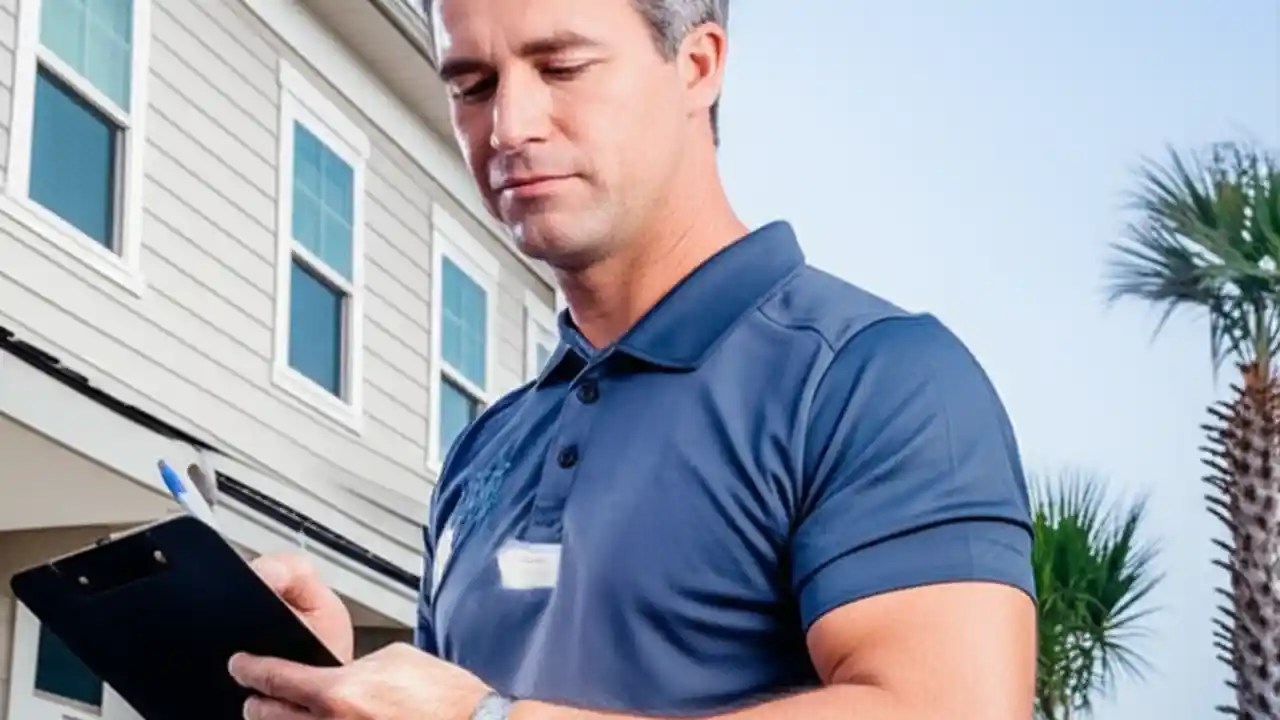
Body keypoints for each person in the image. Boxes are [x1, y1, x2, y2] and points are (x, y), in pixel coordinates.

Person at [226, 0, 1039, 718]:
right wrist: (333, 687)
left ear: (697, 65)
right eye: (472, 85)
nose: (510, 125)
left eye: (562, 66)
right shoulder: (486, 447)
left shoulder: (876, 381)